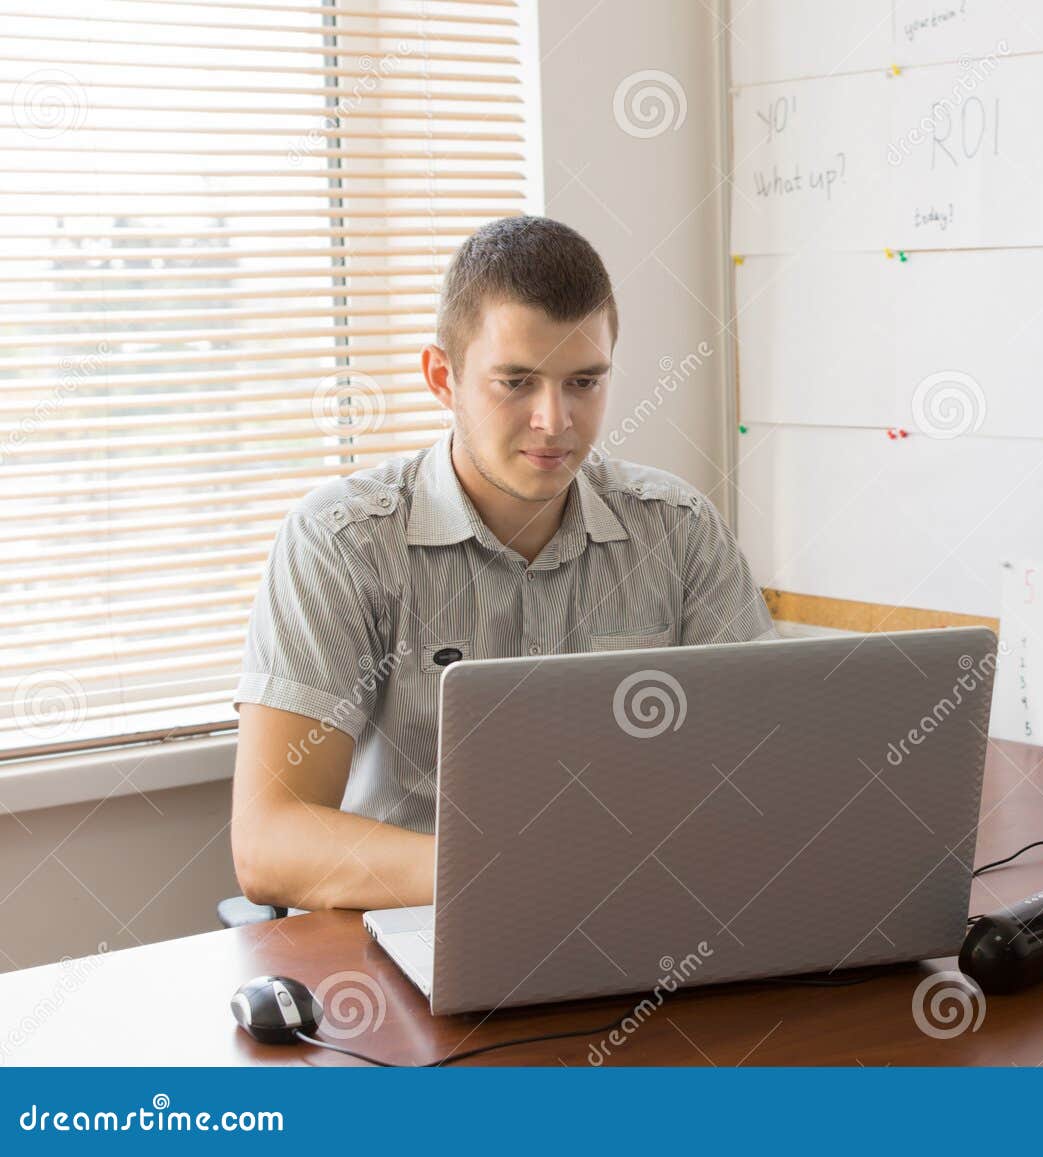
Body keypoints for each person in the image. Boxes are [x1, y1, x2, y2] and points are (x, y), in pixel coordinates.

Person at [229, 216, 775, 912]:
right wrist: (515, 875)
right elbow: (271, 841)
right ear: (441, 377)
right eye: (516, 382)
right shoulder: (339, 543)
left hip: (643, 922)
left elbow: (764, 775)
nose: (555, 420)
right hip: (414, 930)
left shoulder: (678, 530)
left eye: (584, 381)